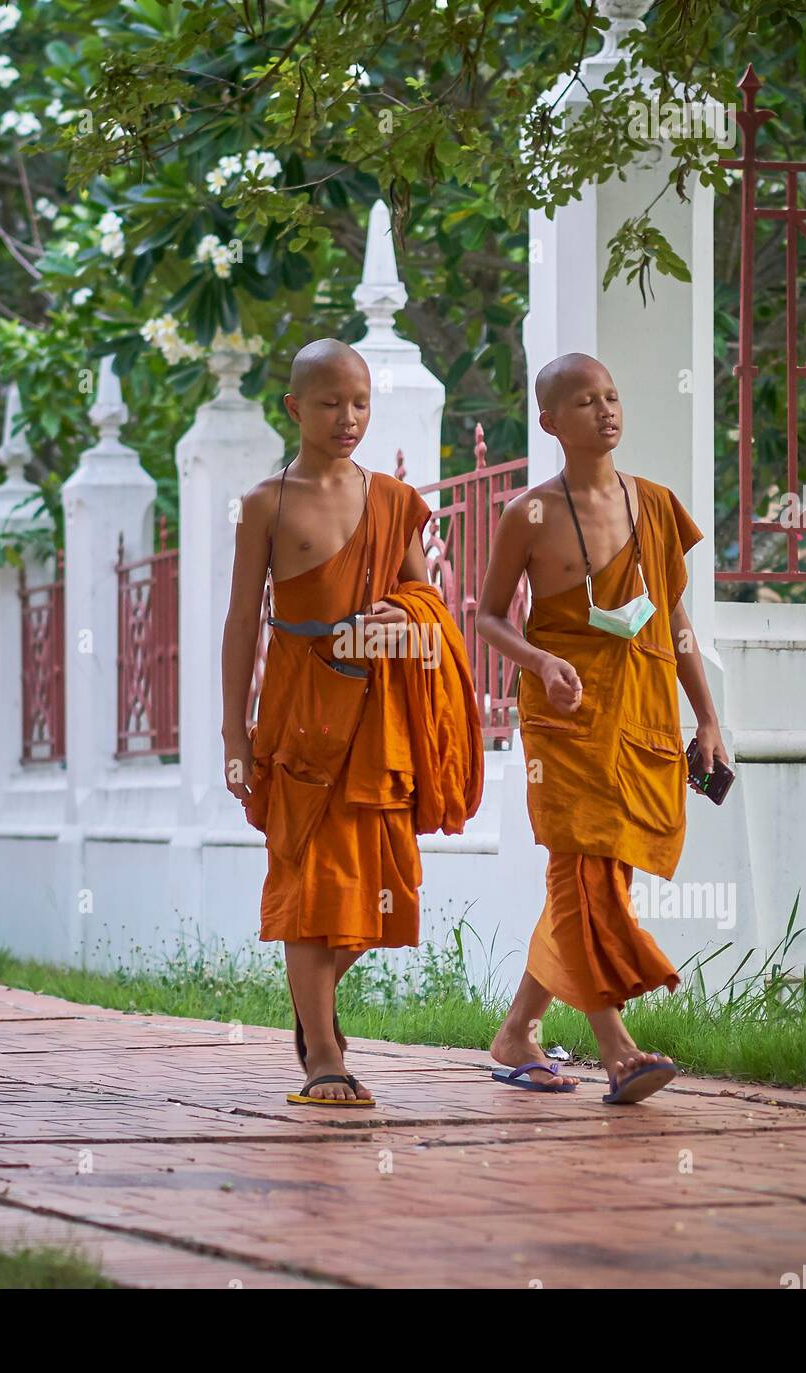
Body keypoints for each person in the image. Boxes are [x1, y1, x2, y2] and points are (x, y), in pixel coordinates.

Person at [222, 338, 483, 1106]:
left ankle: (315, 1009)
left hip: (378, 718)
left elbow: (427, 605)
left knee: (384, 885)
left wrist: (401, 616)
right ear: (295, 407)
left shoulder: (396, 502)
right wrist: (233, 736)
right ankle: (323, 1057)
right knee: (310, 885)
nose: (348, 417)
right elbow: (243, 621)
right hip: (302, 715)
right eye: (331, 402)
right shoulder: (266, 504)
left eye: (361, 402)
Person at [475, 352, 729, 1103]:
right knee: (579, 872)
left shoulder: (653, 504)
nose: (606, 410)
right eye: (585, 401)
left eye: (612, 396)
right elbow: (486, 618)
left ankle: (517, 1031)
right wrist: (540, 660)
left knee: (596, 875)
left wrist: (708, 717)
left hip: (642, 711)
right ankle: (619, 1049)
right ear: (552, 422)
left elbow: (676, 620)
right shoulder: (529, 513)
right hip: (564, 717)